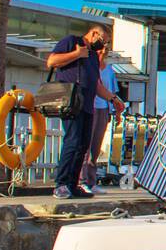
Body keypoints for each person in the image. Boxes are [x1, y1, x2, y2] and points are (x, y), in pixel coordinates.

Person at [47, 25, 125, 199]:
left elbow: (97, 85)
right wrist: (76, 54)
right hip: (71, 102)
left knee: (83, 146)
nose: (103, 44)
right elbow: (51, 61)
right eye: (103, 40)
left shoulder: (92, 57)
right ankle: (61, 183)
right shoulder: (71, 42)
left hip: (88, 105)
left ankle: (73, 184)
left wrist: (113, 99)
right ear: (94, 34)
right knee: (72, 141)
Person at [79, 47, 120, 194]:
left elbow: (112, 91)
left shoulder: (109, 70)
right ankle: (82, 180)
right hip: (91, 107)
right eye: (99, 51)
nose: (102, 54)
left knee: (96, 147)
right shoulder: (90, 66)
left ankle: (91, 180)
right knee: (86, 145)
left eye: (104, 51)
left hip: (104, 108)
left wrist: (115, 111)